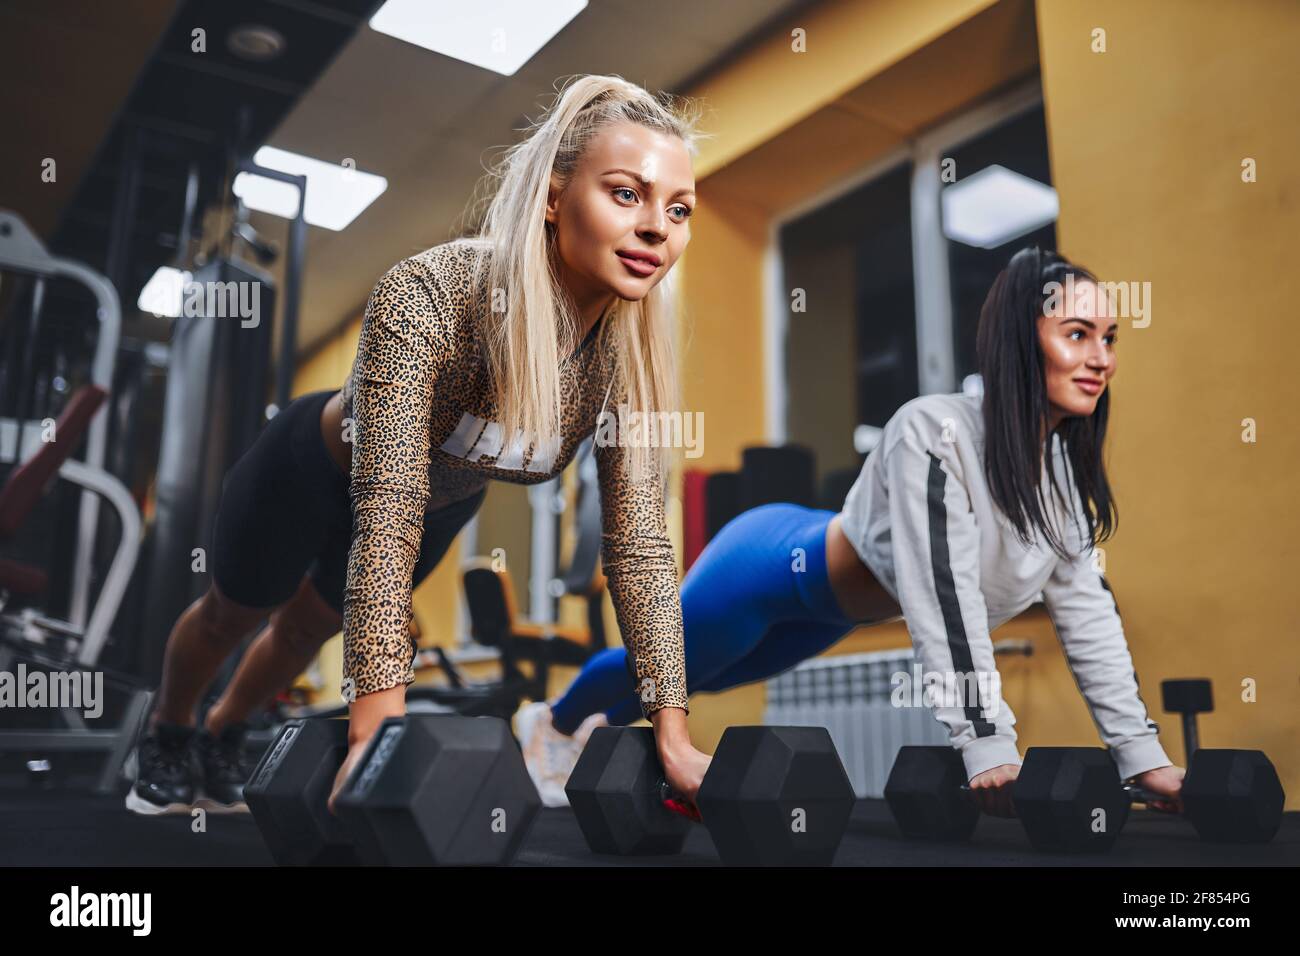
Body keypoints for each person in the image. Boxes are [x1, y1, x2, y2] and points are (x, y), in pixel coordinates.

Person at [129, 74, 712, 815]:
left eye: (680, 208)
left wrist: (673, 732)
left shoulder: (623, 361)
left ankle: (225, 729)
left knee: (311, 624)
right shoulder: (434, 295)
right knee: (233, 614)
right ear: (553, 199)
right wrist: (377, 734)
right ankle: (170, 727)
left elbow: (638, 549)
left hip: (443, 505)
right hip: (315, 472)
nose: (659, 227)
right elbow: (388, 506)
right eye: (627, 193)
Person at [518, 248, 1186, 818]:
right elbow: (945, 595)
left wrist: (1141, 758)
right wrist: (986, 742)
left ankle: (597, 727)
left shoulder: (1063, 478)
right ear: (1020, 341)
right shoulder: (935, 430)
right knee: (665, 667)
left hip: (831, 614)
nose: (1101, 357)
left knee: (705, 681)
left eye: (1110, 337)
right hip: (768, 564)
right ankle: (552, 721)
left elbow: (1087, 613)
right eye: (1077, 334)